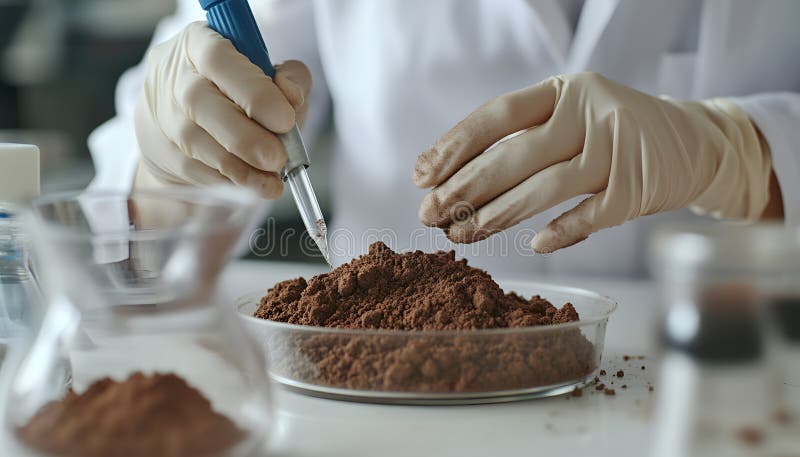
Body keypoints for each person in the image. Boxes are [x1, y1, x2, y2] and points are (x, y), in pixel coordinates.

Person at [89, 0, 798, 278]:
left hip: (734, 388)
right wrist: (168, 168)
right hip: (386, 396)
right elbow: (120, 235)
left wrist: (741, 154)